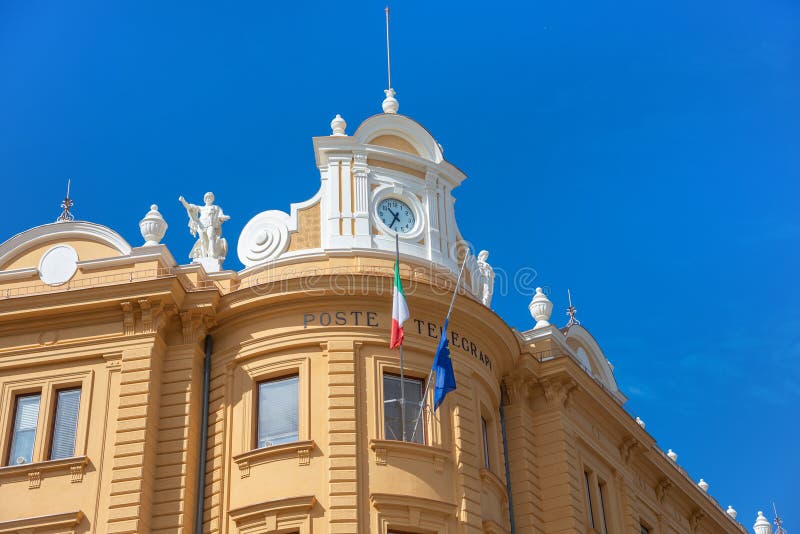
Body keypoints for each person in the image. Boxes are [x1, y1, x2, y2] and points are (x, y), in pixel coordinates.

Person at [178, 192, 230, 260]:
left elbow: (220, 215)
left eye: (210, 197)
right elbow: (190, 207)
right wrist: (183, 201)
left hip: (210, 225)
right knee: (202, 241)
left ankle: (212, 254)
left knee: (211, 236)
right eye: (207, 197)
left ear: (213, 199)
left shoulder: (216, 207)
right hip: (201, 225)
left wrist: (224, 217)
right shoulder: (201, 208)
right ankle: (204, 256)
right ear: (205, 199)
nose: (209, 199)